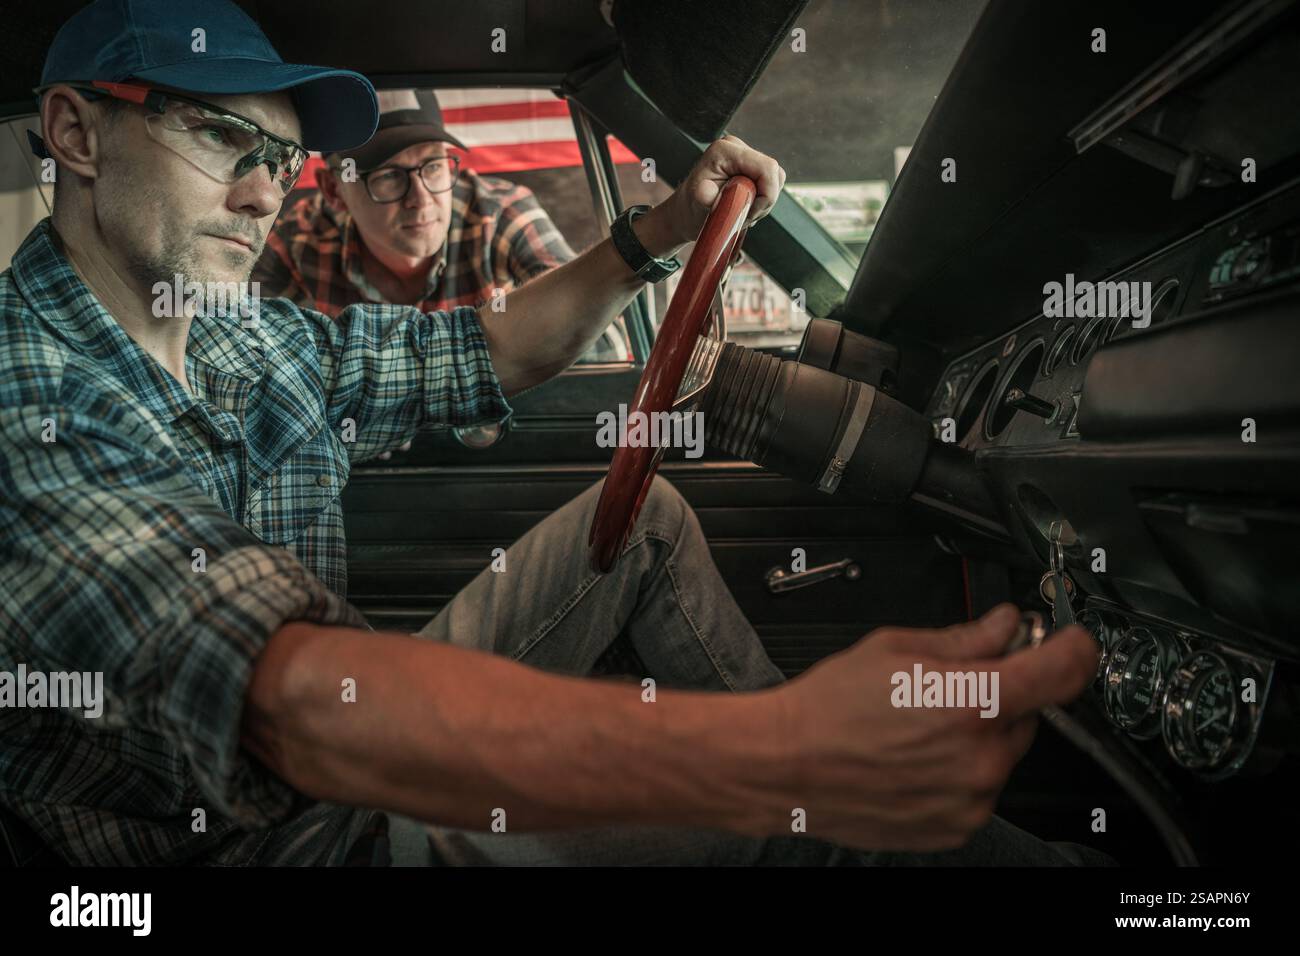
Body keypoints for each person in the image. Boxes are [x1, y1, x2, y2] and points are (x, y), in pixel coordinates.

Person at [0, 0, 1107, 867]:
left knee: (651, 526)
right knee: (783, 821)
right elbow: (284, 702)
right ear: (74, 133)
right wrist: (776, 762)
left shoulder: (252, 341)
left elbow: (489, 349)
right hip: (280, 842)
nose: (259, 197)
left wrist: (659, 232)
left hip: (335, 763)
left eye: (276, 162)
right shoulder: (25, 393)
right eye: (219, 135)